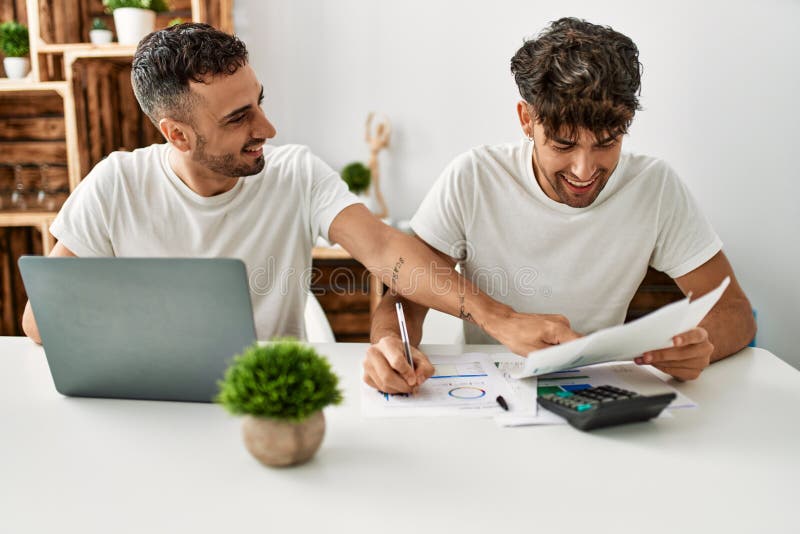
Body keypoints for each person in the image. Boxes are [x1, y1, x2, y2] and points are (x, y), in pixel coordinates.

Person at [21, 23, 576, 358]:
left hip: (273, 395)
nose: (267, 129)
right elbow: (40, 321)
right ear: (178, 134)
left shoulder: (295, 172)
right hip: (154, 404)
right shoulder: (116, 183)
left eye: (260, 101)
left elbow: (385, 250)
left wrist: (497, 316)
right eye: (240, 118)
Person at [364, 17, 756, 393]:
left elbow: (735, 312)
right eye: (563, 145)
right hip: (491, 396)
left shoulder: (654, 187)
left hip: (600, 395)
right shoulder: (474, 178)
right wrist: (390, 346)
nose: (584, 170)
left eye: (606, 143)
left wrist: (700, 343)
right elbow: (404, 299)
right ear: (526, 119)